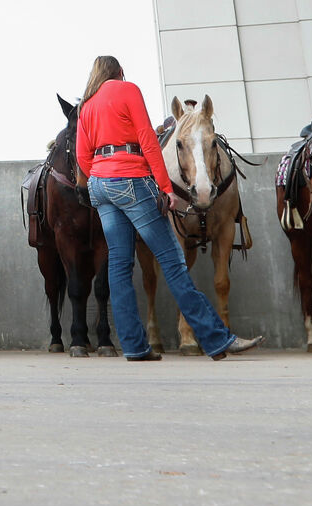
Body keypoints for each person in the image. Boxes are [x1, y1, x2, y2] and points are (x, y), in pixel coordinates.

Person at [76, 56, 261, 361]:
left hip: (101, 184)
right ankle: (217, 339)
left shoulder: (88, 104)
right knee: (173, 261)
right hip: (130, 181)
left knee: (119, 267)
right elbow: (148, 140)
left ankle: (135, 347)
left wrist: (101, 174)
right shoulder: (128, 89)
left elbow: (83, 157)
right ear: (119, 72)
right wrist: (164, 186)